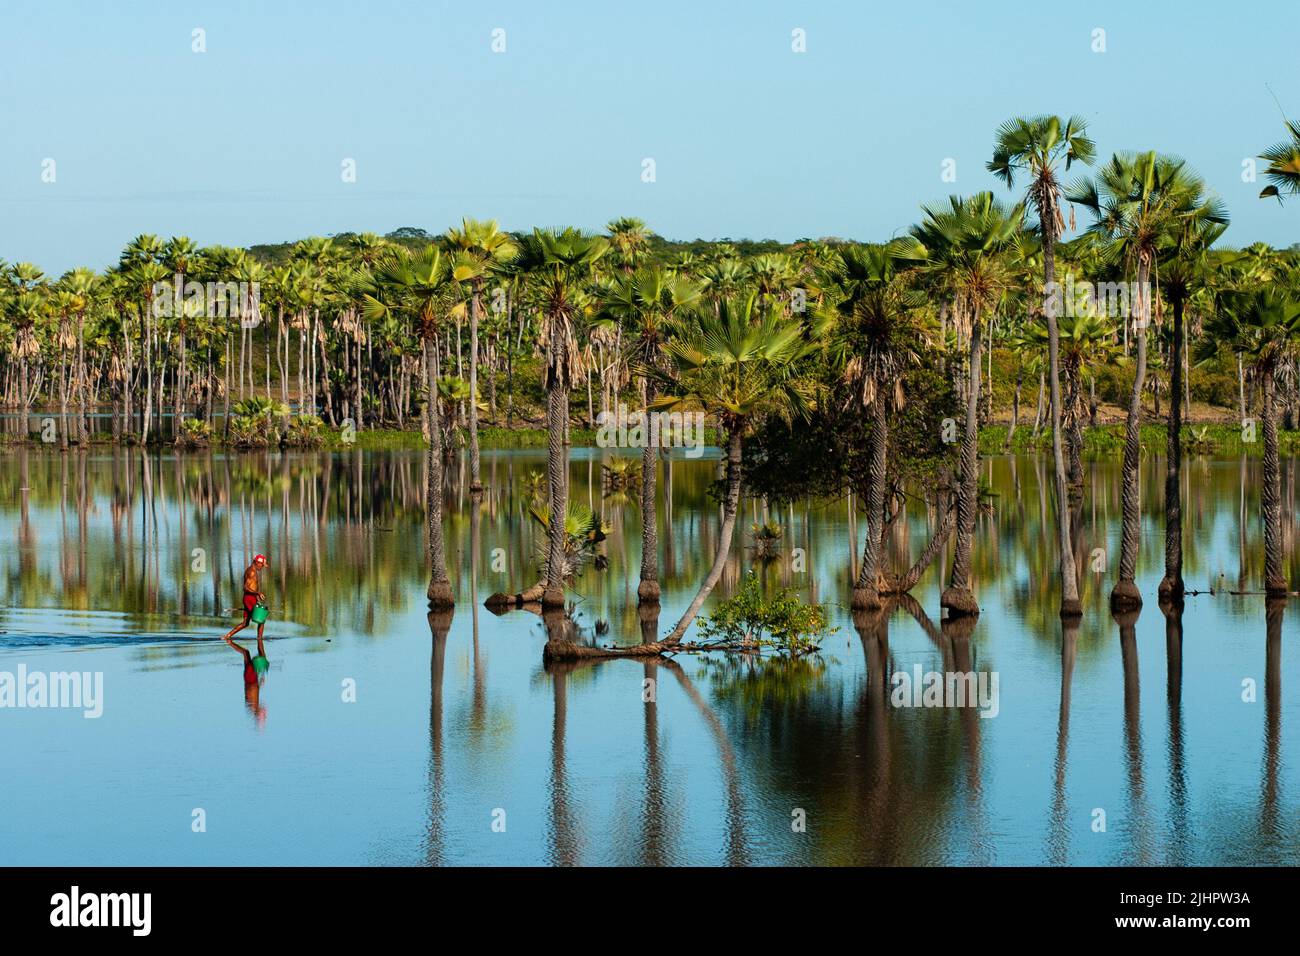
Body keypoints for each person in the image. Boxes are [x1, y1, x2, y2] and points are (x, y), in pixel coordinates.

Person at [223, 553, 269, 647]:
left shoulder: (253, 570)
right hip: (249, 599)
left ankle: (227, 636)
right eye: (262, 565)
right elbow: (245, 588)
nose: (262, 567)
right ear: (257, 563)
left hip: (250, 598)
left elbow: (251, 587)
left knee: (245, 623)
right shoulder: (251, 572)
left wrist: (257, 595)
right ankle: (260, 640)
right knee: (262, 620)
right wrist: (257, 593)